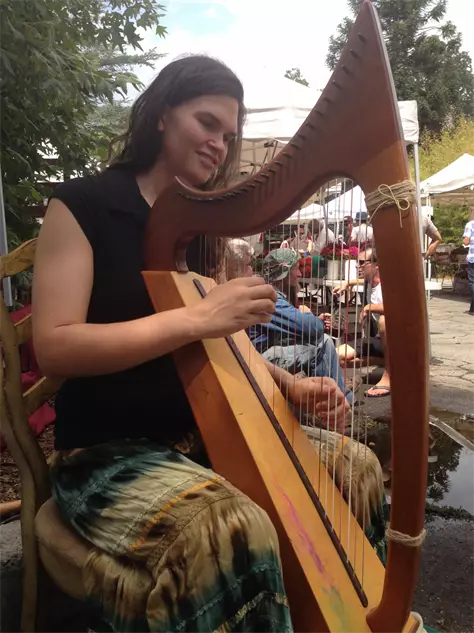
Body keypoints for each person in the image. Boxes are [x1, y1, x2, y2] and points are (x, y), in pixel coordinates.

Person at [32, 55, 350, 633]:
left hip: (195, 447)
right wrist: (200, 317)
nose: (219, 146)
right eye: (206, 123)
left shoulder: (201, 232)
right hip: (105, 456)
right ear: (160, 114)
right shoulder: (81, 206)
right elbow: (54, 347)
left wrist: (291, 384)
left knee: (351, 468)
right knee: (228, 525)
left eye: (228, 136)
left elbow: (223, 348)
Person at [247, 248, 354, 414]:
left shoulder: (273, 293)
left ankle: (335, 392)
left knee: (318, 343)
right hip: (260, 359)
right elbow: (309, 329)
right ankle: (339, 405)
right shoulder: (270, 296)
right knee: (323, 344)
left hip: (267, 353)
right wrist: (315, 320)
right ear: (284, 273)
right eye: (296, 268)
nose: (299, 274)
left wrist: (310, 318)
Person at [334, 247, 390, 398]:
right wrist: (348, 283)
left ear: (376, 265)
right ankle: (388, 360)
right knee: (338, 355)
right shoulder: (369, 283)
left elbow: (395, 307)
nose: (357, 266)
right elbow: (359, 280)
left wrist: (368, 307)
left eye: (361, 263)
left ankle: (389, 375)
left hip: (397, 341)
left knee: (385, 320)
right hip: (380, 340)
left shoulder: (389, 285)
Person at [463, 216, 474, 314]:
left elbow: (466, 241)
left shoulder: (470, 224)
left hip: (473, 257)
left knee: (472, 283)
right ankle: (472, 309)